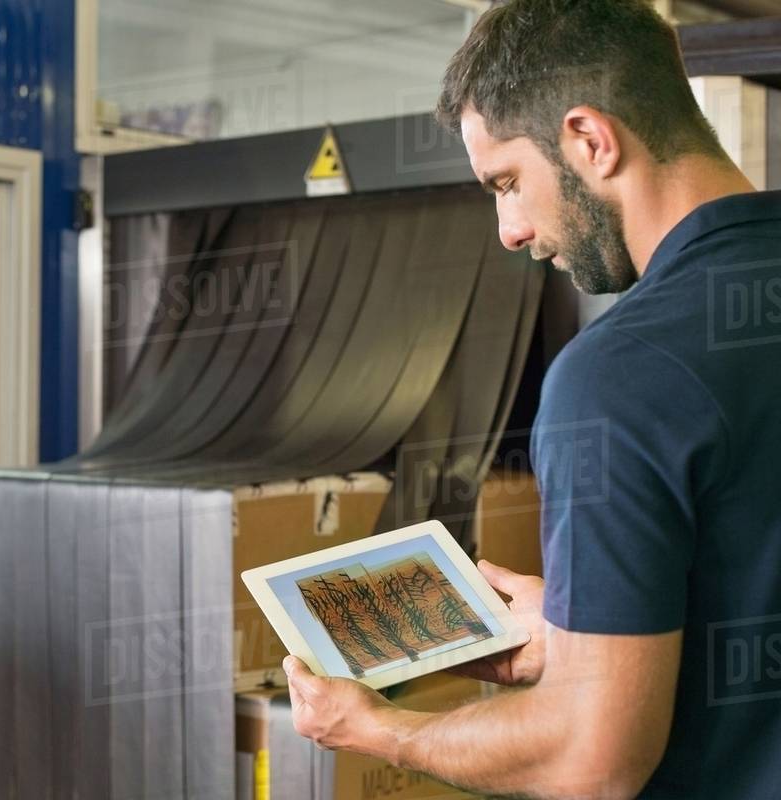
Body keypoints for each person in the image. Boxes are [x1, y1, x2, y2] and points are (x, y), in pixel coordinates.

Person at [282, 2, 781, 798]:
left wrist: (379, 730)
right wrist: (589, 628)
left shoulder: (619, 376)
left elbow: (592, 761)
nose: (509, 231)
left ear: (589, 139)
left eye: (508, 183)